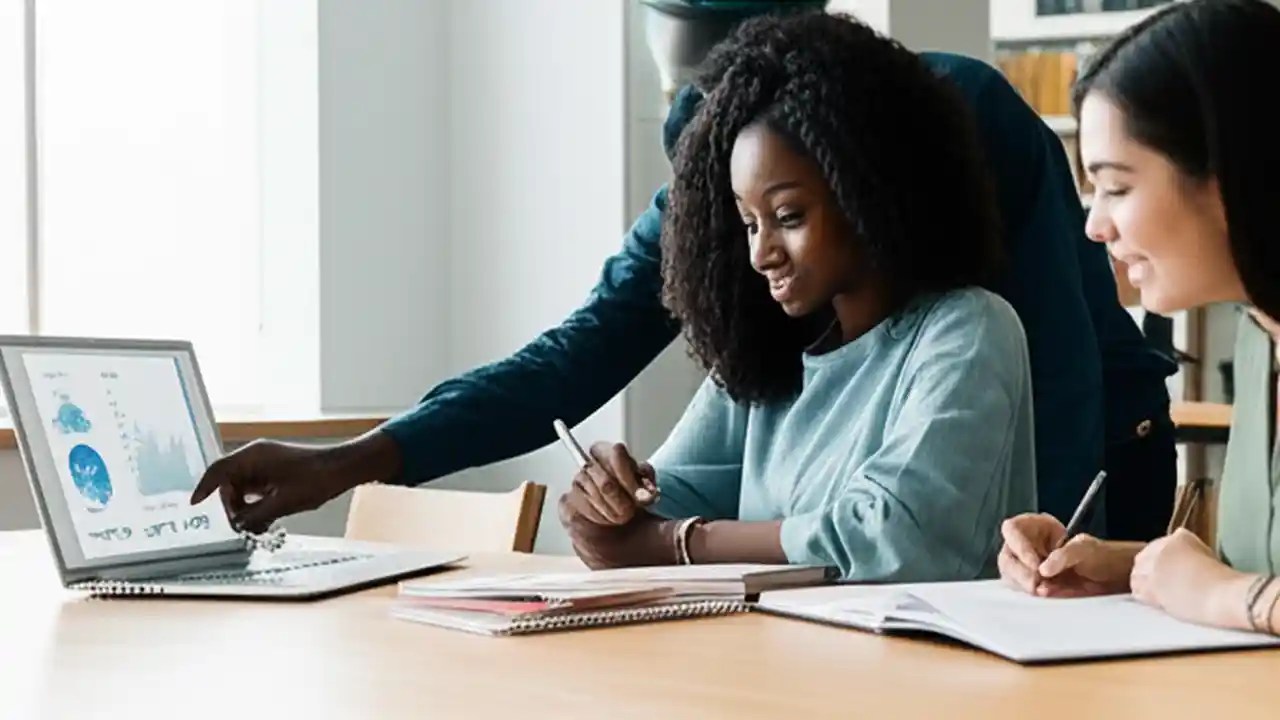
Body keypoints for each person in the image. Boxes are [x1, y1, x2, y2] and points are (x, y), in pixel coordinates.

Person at [190, 1, 1176, 544]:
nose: (686, 123)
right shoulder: (721, 181)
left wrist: (1027, 577)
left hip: (1087, 463)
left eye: (700, 85)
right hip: (865, 565)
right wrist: (353, 459)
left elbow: (1049, 363)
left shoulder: (945, 120)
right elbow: (573, 361)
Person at [557, 12, 1036, 580]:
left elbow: (895, 537)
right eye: (749, 224)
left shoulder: (968, 330)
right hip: (774, 662)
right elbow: (665, 502)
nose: (762, 254)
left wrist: (678, 543)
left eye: (787, 216)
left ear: (871, 190)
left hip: (918, 664)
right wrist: (606, 504)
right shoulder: (766, 356)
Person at [997, 0, 1280, 634]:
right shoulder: (1262, 335)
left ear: (1229, 173)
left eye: (1117, 186)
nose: (1096, 226)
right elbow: (1256, 568)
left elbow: (1241, 590)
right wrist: (1129, 567)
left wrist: (1223, 597)